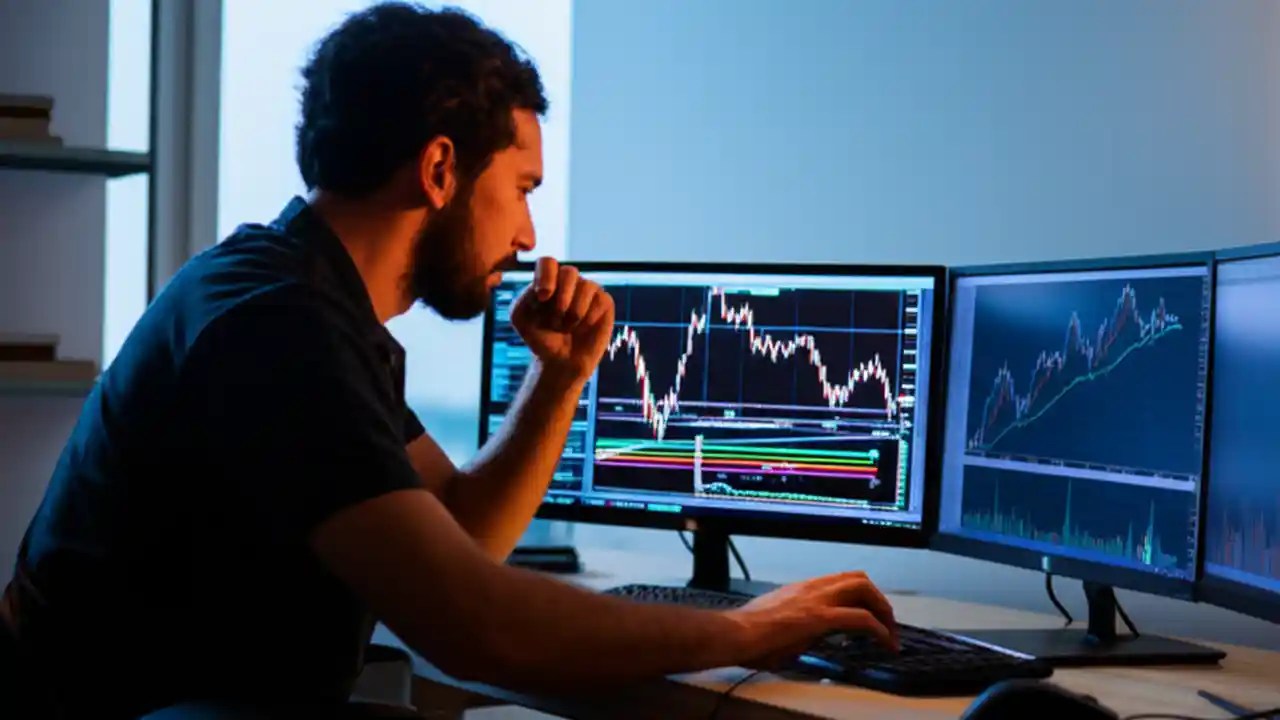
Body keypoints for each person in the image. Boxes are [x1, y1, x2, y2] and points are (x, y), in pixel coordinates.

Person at [0, 3, 898, 718]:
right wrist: (745, 629)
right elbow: (477, 629)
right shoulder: (275, 326)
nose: (528, 235)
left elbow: (464, 536)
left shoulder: (305, 298)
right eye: (520, 191)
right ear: (439, 170)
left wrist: (559, 379)